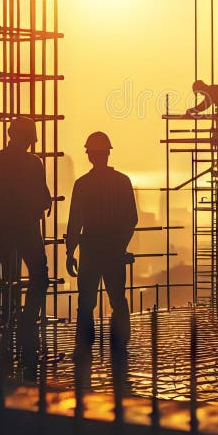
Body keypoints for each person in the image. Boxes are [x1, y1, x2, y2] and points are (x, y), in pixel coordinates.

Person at [0, 116, 51, 380]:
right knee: (38, 276)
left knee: (8, 277)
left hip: (3, 227)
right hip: (27, 227)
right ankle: (26, 320)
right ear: (29, 138)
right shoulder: (34, 164)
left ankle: (10, 317)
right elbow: (43, 197)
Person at [66, 131, 138, 377]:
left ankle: (84, 346)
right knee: (118, 299)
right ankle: (120, 346)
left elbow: (75, 221)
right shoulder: (122, 182)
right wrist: (120, 245)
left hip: (91, 249)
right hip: (113, 248)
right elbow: (131, 219)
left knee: (86, 302)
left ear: (90, 156)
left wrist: (69, 251)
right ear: (107, 154)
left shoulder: (82, 184)